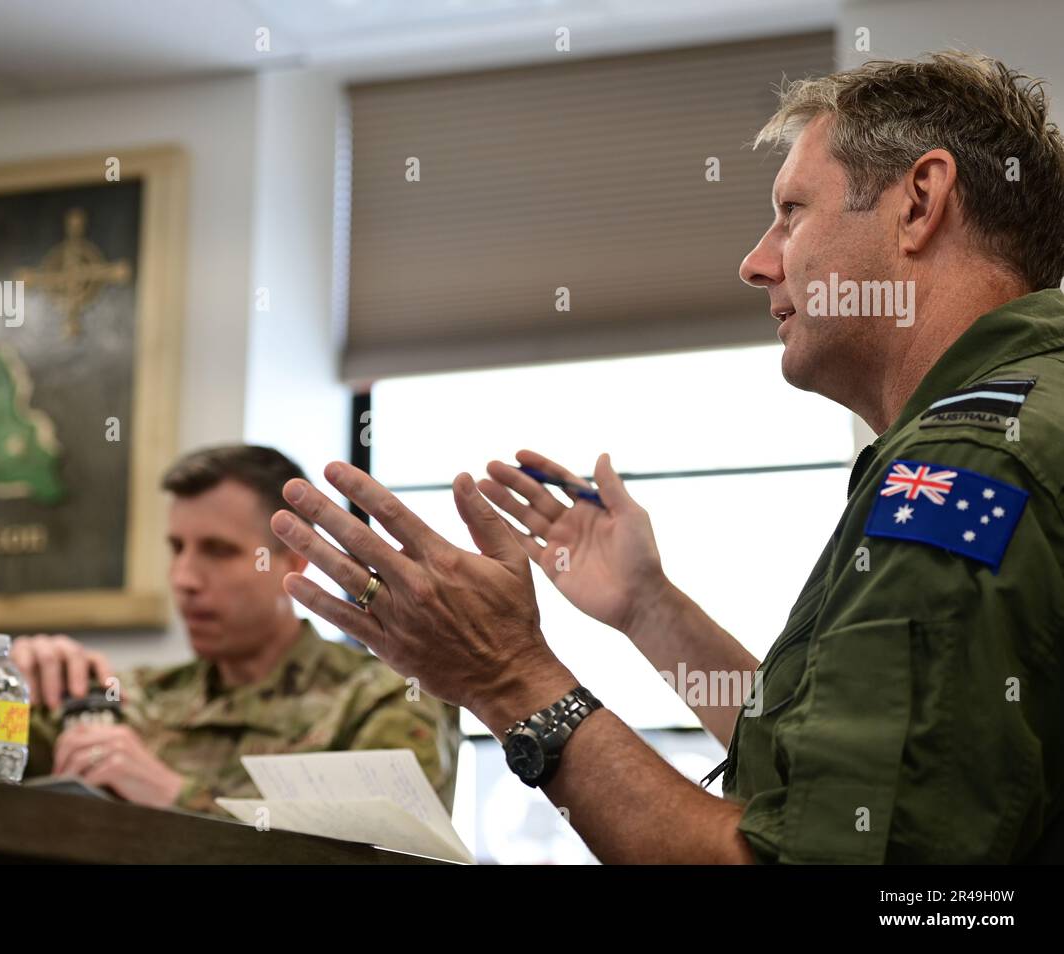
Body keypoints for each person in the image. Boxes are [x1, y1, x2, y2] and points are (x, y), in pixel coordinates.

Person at [267, 51, 1064, 863]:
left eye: (791, 212)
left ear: (919, 203)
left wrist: (507, 678)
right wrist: (649, 607)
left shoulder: (970, 463)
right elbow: (842, 777)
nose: (757, 262)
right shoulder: (1015, 423)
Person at [0, 444, 459, 814]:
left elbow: (378, 852)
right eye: (177, 549)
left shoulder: (379, 699)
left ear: (291, 560)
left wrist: (175, 797)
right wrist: (8, 674)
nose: (184, 578)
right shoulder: (132, 699)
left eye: (217, 551)